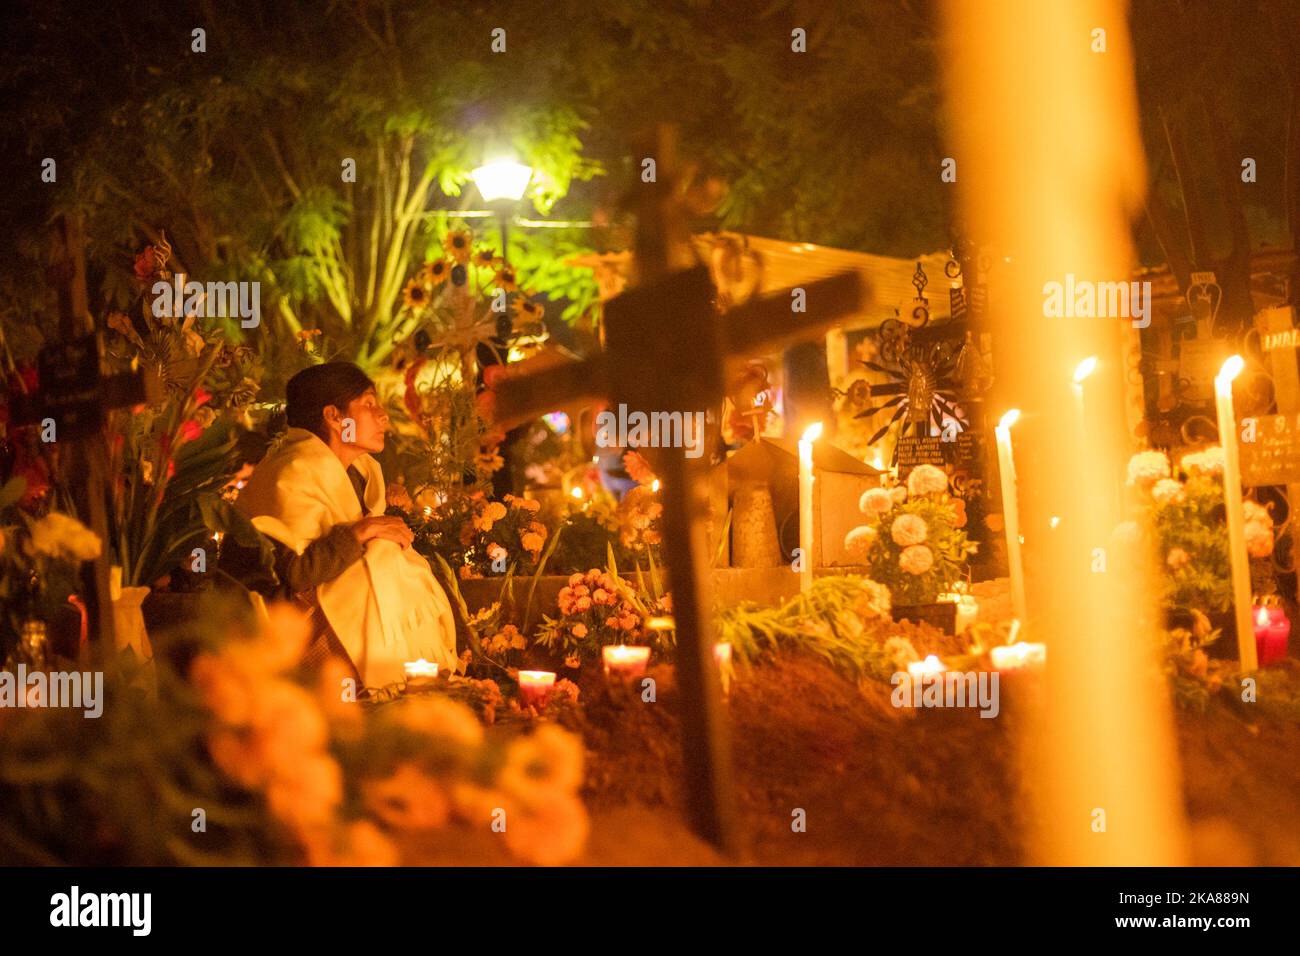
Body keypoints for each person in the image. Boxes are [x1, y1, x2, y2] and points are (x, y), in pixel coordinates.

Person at [228, 362, 458, 688]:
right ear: (334, 417)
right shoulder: (294, 471)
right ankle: (385, 687)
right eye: (368, 404)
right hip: (284, 626)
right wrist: (362, 532)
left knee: (390, 556)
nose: (383, 415)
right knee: (381, 554)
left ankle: (406, 681)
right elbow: (298, 574)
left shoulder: (362, 473)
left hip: (324, 617)